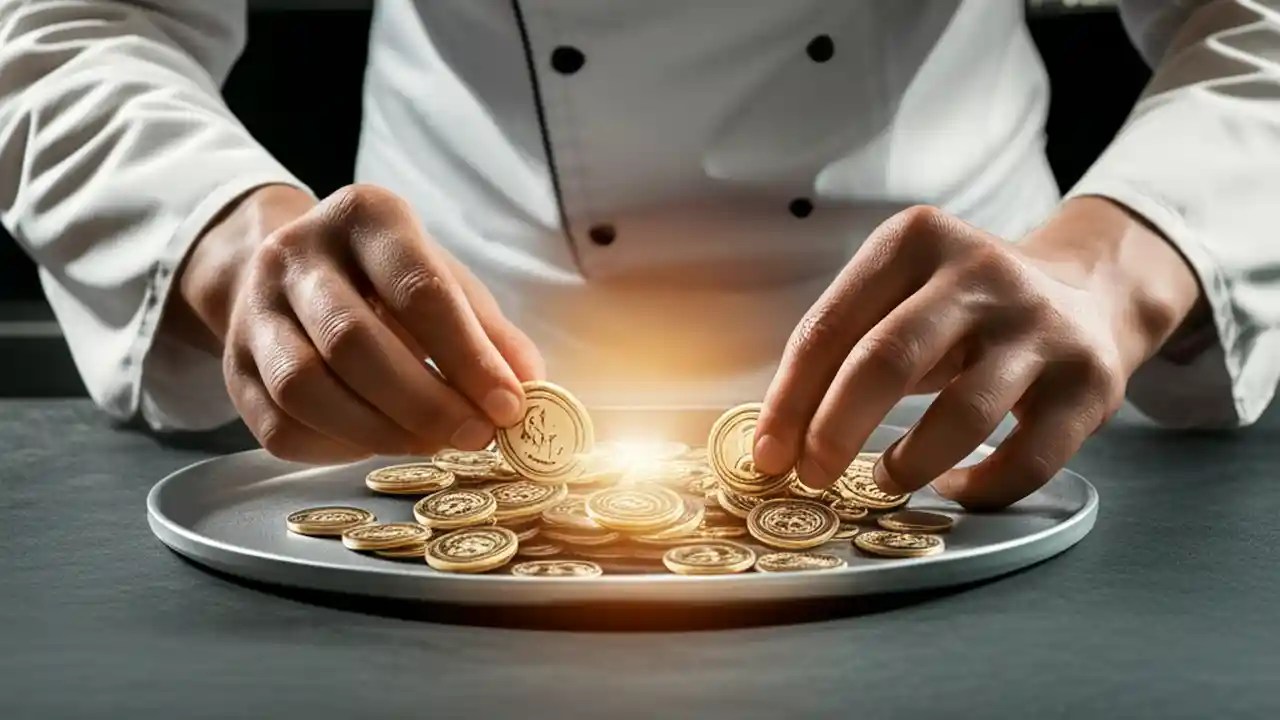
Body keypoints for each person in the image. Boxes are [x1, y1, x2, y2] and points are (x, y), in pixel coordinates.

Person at [1, 1, 1276, 509]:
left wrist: (1107, 267)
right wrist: (245, 246)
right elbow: (75, 21)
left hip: (971, 411)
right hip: (439, 395)